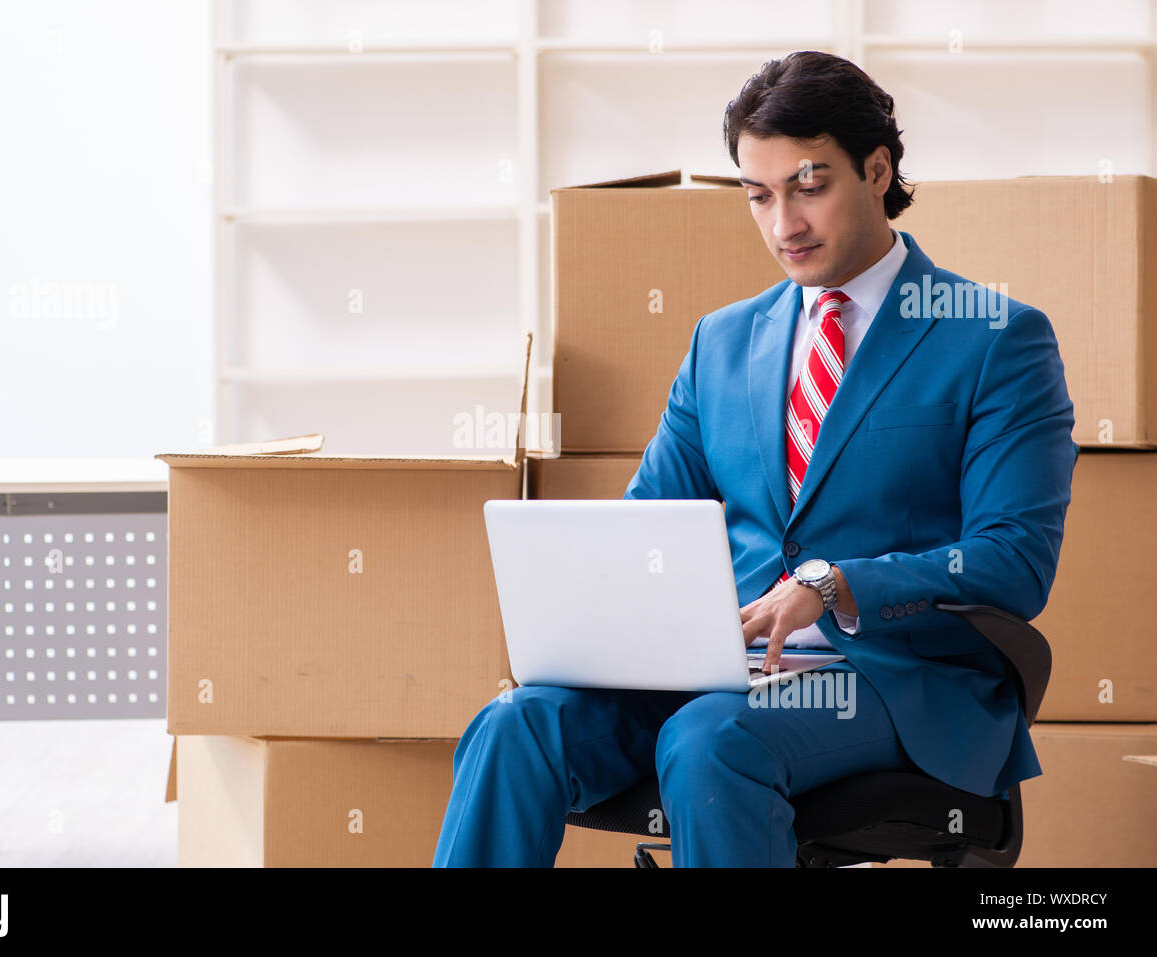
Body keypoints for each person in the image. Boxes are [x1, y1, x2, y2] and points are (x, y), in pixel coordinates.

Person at [432, 50, 1076, 867]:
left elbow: (1013, 560)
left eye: (809, 187)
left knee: (710, 738)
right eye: (759, 195)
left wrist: (834, 582)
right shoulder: (722, 343)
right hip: (723, 673)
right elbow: (646, 531)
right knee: (514, 724)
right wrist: (579, 632)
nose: (784, 225)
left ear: (877, 170)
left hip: (895, 680)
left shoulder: (993, 338)